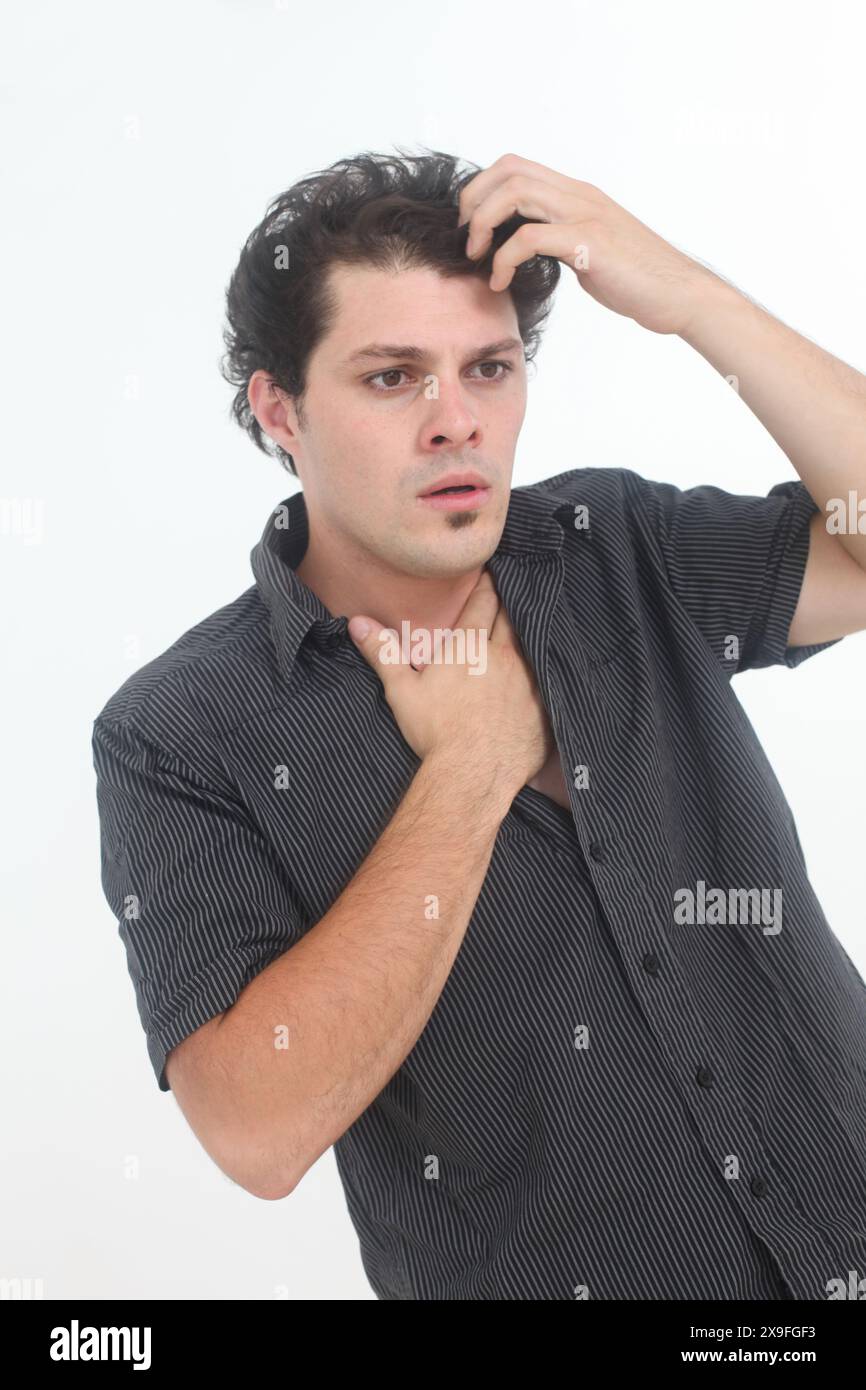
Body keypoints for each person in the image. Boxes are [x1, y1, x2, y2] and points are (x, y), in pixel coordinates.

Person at [92, 149, 866, 1300]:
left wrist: (690, 298)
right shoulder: (180, 730)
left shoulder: (614, 543)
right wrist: (468, 767)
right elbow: (255, 1129)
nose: (457, 422)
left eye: (488, 368)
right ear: (278, 408)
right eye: (392, 377)